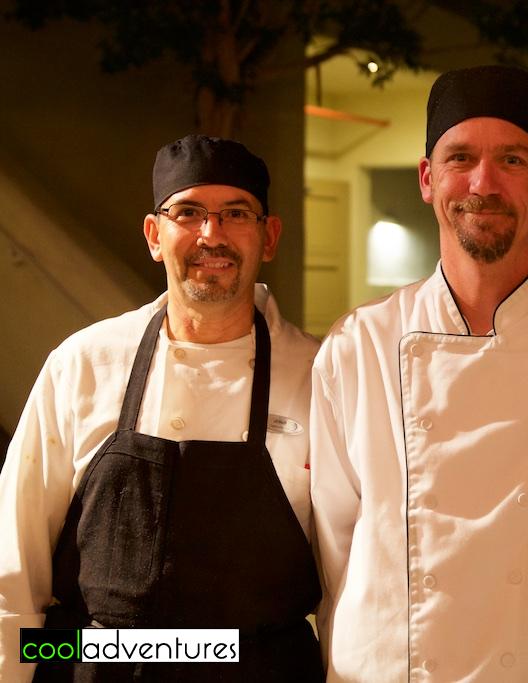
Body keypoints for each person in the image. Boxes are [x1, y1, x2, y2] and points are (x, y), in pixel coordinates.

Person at [311, 65, 528, 681]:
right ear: (429, 179)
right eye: (460, 158)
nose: (484, 182)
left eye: (512, 160)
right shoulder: (358, 346)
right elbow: (334, 549)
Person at [0, 135, 323, 682]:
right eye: (188, 212)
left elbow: (353, 584)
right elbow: (13, 563)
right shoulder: (85, 361)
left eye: (235, 213)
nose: (210, 235)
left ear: (269, 237)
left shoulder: (323, 375)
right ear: (155, 235)